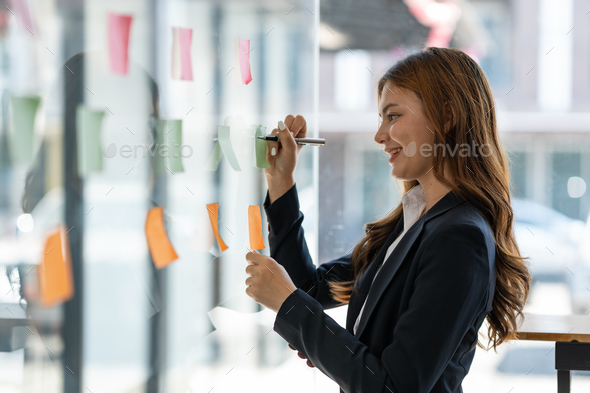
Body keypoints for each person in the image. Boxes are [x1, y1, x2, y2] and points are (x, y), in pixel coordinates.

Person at [244, 46, 531, 393]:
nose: (379, 135)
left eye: (392, 116)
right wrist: (281, 183)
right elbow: (309, 289)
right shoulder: (415, 220)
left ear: (447, 116)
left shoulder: (459, 239)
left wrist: (294, 310)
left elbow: (394, 386)